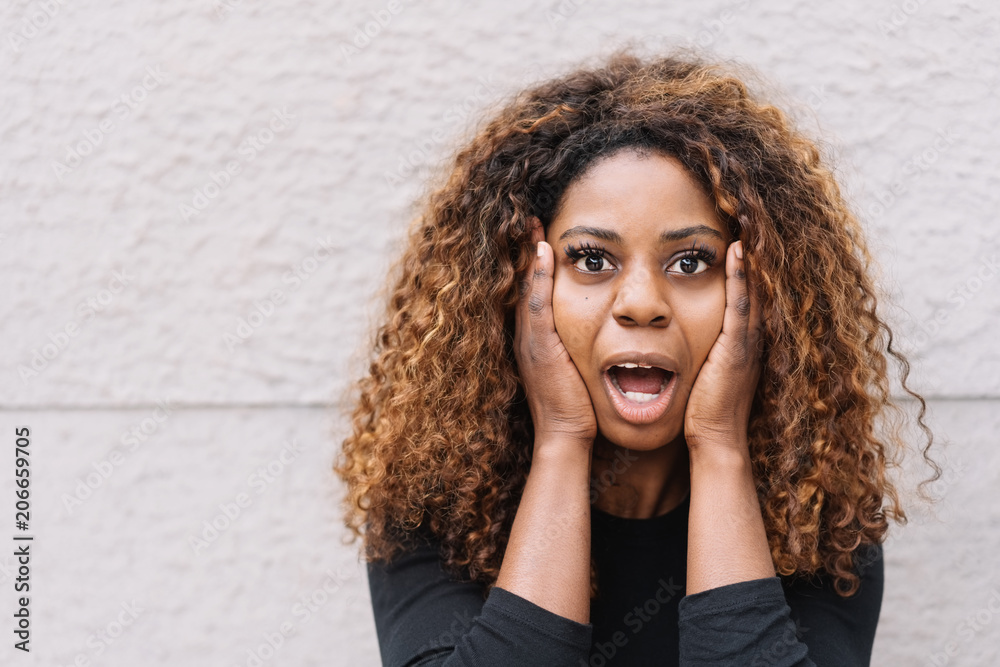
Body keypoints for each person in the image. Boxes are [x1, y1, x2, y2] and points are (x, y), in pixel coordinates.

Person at [334, 49, 939, 666]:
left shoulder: (816, 512)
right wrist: (561, 441)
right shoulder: (434, 503)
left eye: (691, 261)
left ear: (762, 292)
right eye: (592, 259)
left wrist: (720, 446)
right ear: (514, 287)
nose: (642, 304)